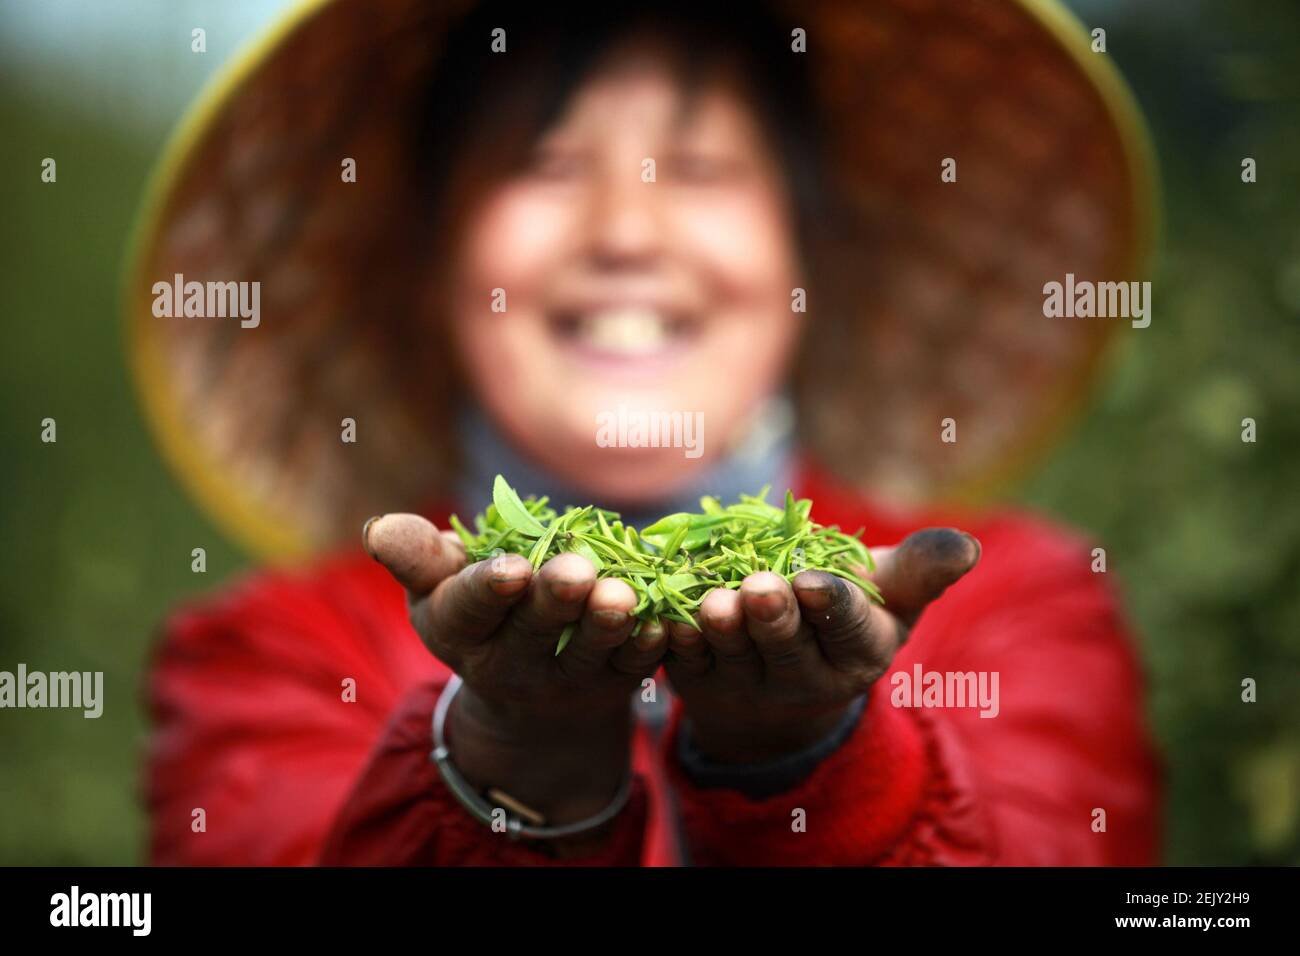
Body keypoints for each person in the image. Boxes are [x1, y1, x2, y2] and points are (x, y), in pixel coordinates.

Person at [132, 0, 1161, 865]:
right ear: (430, 265)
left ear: (804, 260)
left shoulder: (1014, 608)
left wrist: (816, 757)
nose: (625, 231)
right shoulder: (275, 656)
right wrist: (506, 760)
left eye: (702, 168)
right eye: (546, 166)